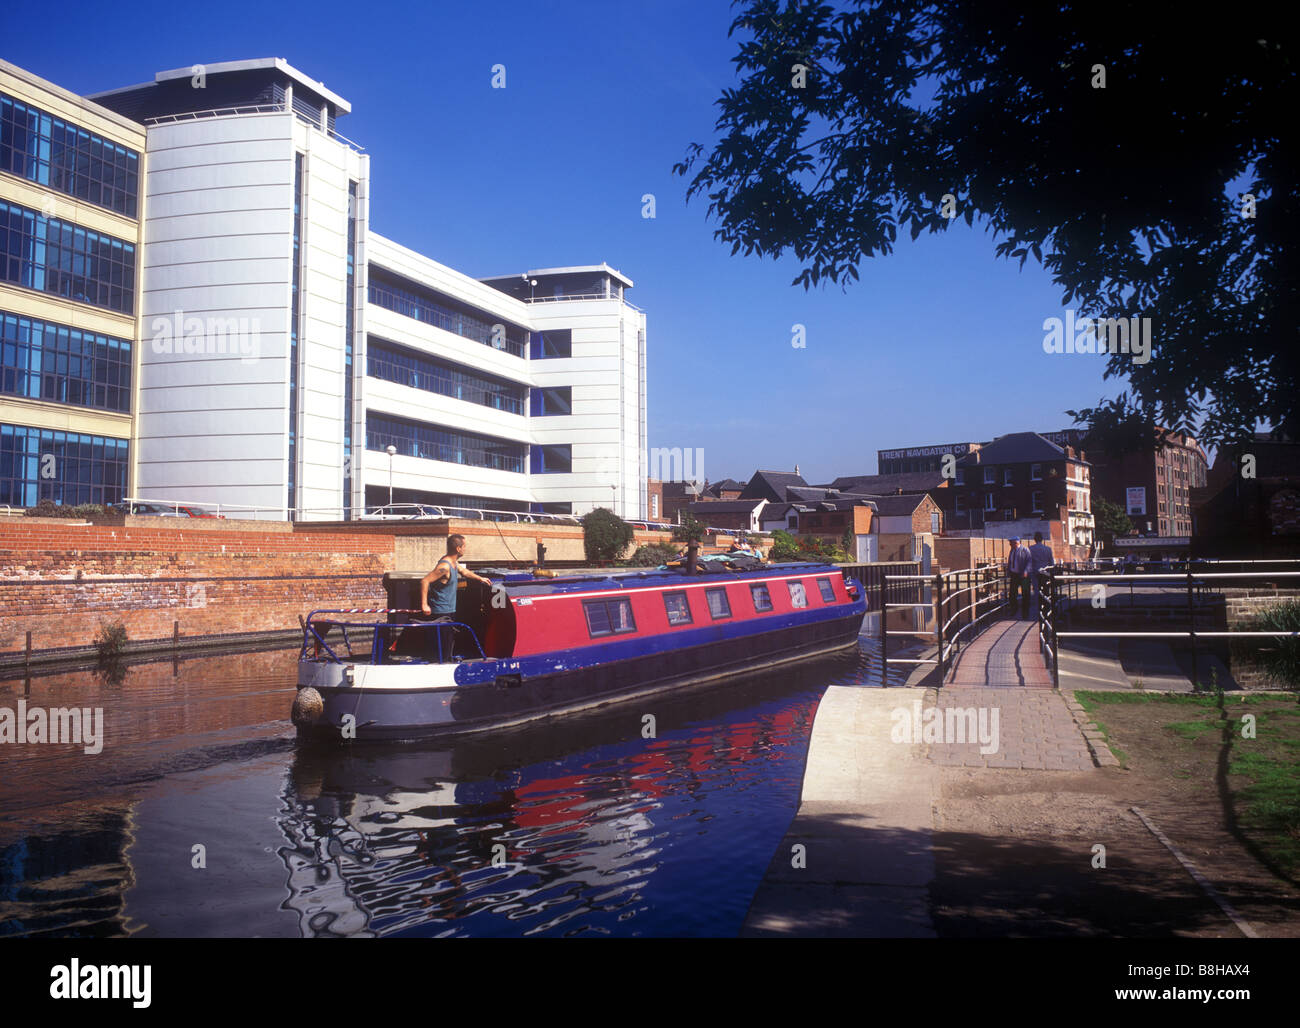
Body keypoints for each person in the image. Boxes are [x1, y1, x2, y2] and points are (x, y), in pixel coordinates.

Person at [419, 535, 491, 660]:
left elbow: (464, 572)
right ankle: (439, 666)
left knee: (448, 644)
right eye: (464, 547)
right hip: (441, 613)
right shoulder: (445, 566)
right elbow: (424, 581)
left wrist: (480, 578)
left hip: (449, 610)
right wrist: (424, 605)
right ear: (458, 548)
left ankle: (446, 662)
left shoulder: (454, 562)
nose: (465, 549)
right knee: (442, 646)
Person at [1027, 530, 1055, 614]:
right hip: (1046, 572)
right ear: (1042, 539)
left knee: (1037, 589)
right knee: (1046, 589)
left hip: (1035, 572)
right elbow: (1051, 562)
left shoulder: (1030, 549)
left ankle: (1039, 607)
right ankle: (1046, 606)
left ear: (1034, 539)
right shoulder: (1048, 549)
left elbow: (1029, 562)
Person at [1007, 536, 1033, 619]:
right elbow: (1010, 561)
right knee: (1012, 593)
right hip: (1014, 575)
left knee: (1025, 594)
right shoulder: (1012, 550)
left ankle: (1025, 613)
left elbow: (1029, 562)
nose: (1009, 544)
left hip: (1024, 575)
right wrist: (1009, 570)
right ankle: (1014, 610)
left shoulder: (1025, 550)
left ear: (1016, 542)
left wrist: (1026, 571)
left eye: (1011, 543)